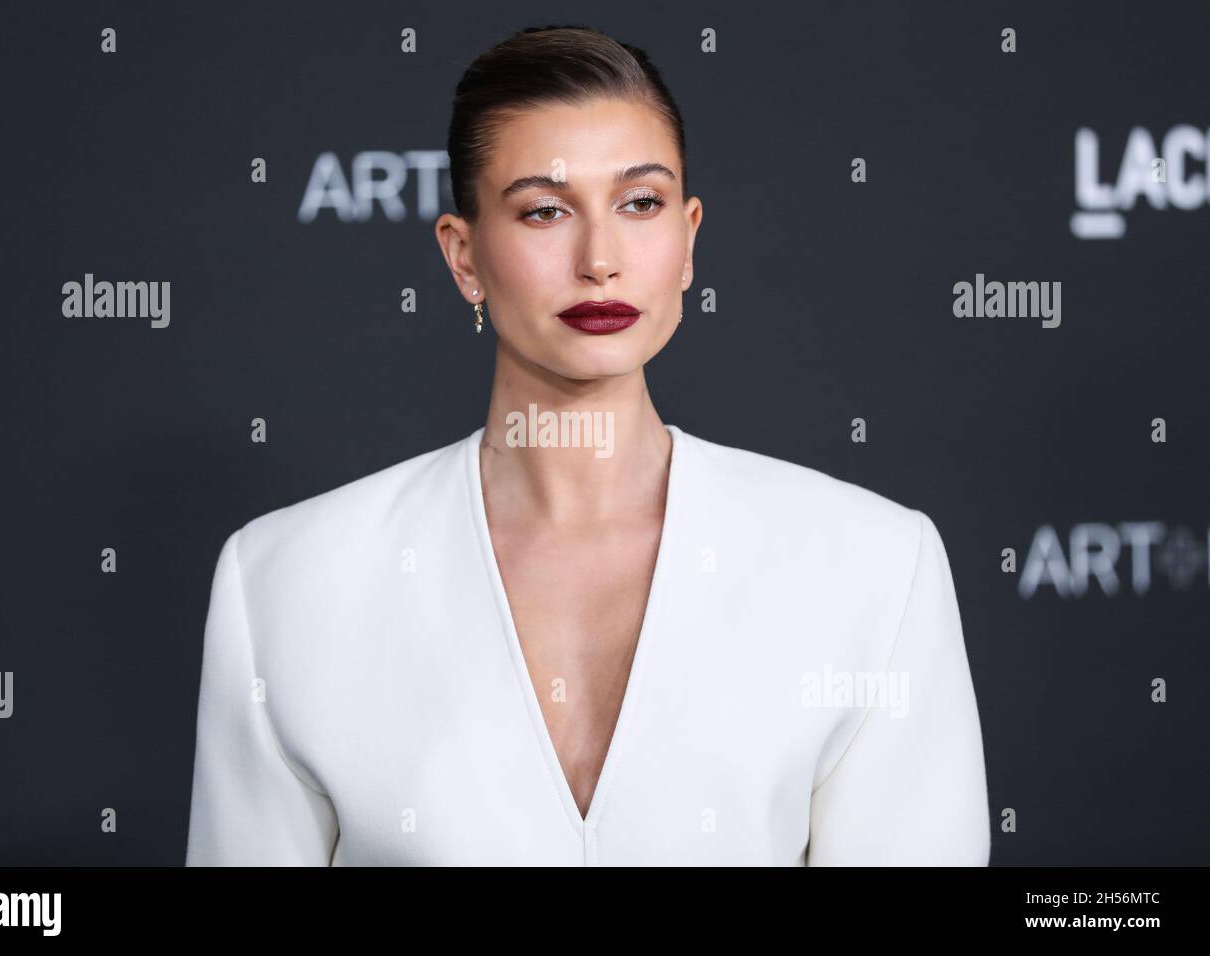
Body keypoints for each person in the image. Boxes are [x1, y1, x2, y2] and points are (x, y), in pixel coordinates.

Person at [184, 24, 991, 866]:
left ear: (688, 239)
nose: (599, 259)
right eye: (544, 210)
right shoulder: (286, 581)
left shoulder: (874, 567)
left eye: (639, 203)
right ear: (463, 258)